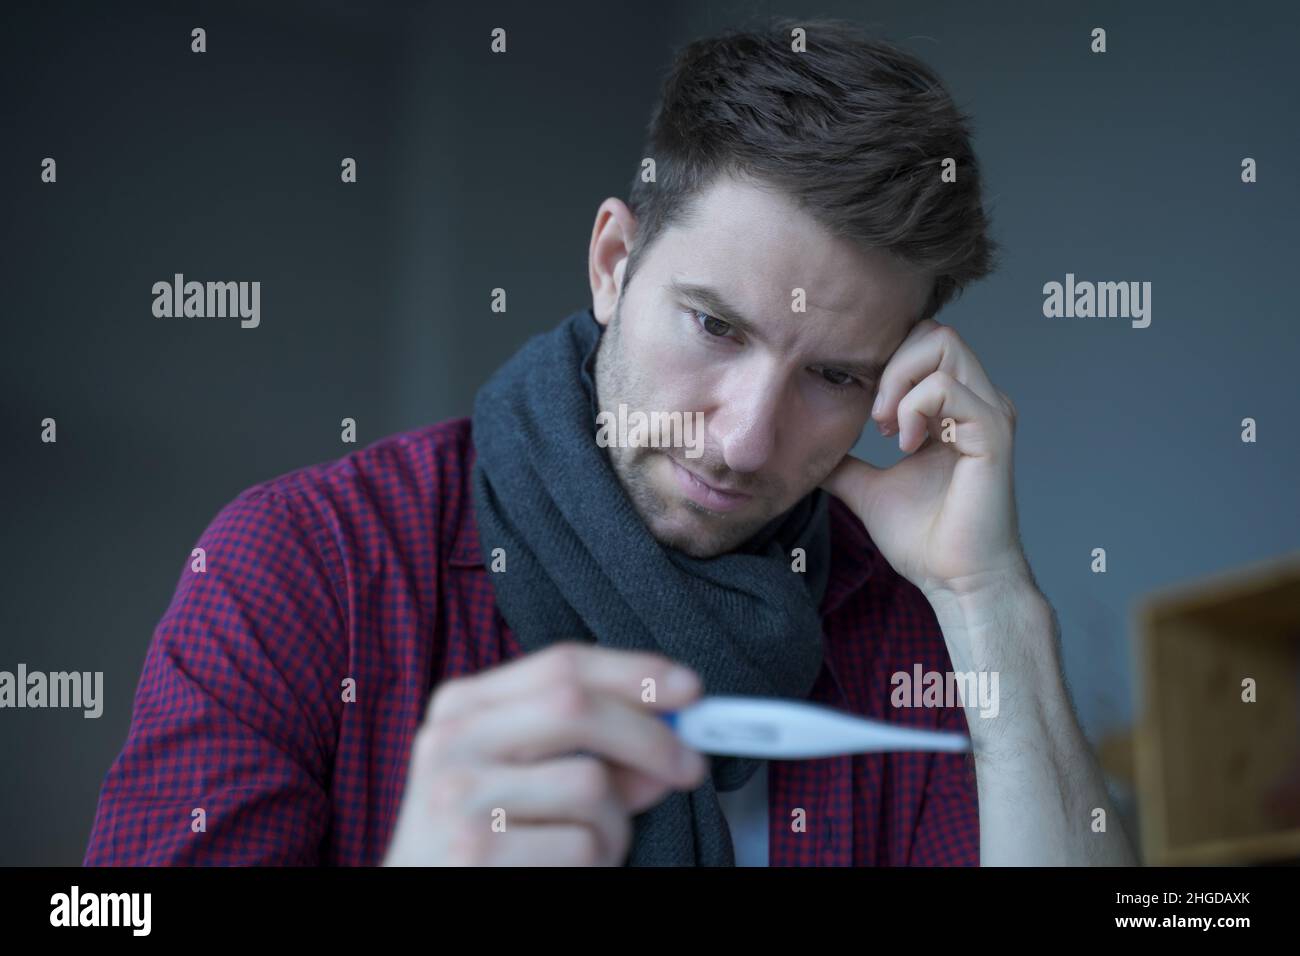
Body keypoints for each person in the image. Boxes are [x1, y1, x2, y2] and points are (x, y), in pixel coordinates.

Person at [84, 17, 1134, 867]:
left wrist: (985, 597)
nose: (741, 437)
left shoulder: (903, 630)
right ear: (613, 261)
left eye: (832, 375)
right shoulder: (302, 564)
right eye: (715, 326)